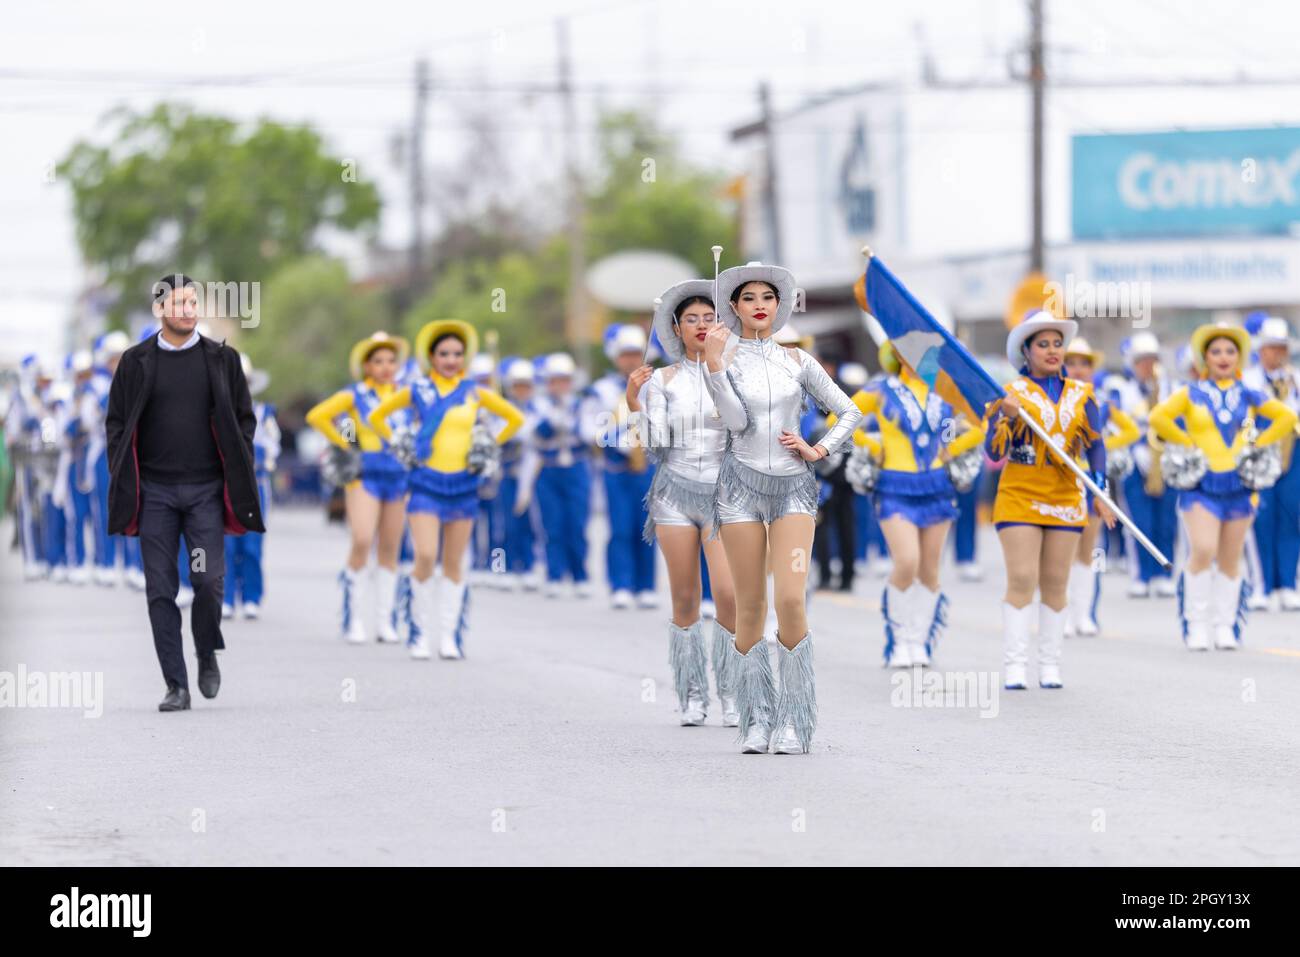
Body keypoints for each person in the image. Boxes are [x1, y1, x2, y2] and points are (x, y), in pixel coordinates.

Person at [702, 262, 862, 753]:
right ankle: (756, 718)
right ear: (734, 307)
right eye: (748, 298)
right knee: (750, 605)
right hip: (740, 489)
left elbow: (850, 410)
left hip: (794, 487)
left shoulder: (798, 362)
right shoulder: (723, 359)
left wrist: (819, 449)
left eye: (767, 297)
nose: (758, 305)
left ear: (779, 305)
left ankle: (794, 718)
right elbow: (733, 420)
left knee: (791, 600)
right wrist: (712, 366)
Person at [105, 274, 265, 712]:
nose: (187, 309)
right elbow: (116, 422)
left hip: (202, 496)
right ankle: (175, 684)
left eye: (193, 301)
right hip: (155, 495)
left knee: (206, 581)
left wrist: (240, 458)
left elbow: (244, 418)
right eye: (177, 302)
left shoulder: (221, 360)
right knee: (160, 589)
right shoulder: (135, 362)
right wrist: (121, 467)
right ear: (160, 309)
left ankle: (205, 649)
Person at [368, 319, 524, 659]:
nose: (451, 359)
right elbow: (378, 417)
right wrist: (398, 441)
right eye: (444, 353)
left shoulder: (474, 392)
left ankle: (451, 636)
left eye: (457, 353)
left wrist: (487, 443)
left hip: (464, 484)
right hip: (425, 482)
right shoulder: (417, 390)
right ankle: (419, 632)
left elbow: (514, 419)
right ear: (431, 357)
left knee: (455, 563)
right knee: (425, 555)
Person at [626, 280, 738, 727]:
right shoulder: (662, 380)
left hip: (724, 493)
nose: (700, 325)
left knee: (728, 594)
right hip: (673, 493)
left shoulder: (733, 371)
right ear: (676, 327)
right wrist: (634, 401)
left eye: (709, 318)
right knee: (686, 594)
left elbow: (744, 427)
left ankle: (731, 691)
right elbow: (654, 443)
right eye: (691, 319)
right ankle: (692, 695)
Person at [983, 312, 1115, 690]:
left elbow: (1096, 445)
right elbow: (995, 449)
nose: (1053, 350)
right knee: (1023, 577)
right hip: (1020, 492)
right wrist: (1001, 418)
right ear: (1026, 351)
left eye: (1058, 343)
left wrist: (1100, 489)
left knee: (1057, 580)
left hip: (1066, 494)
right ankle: (1015, 664)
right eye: (1043, 344)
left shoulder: (1082, 393)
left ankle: (1050, 663)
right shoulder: (1011, 394)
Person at [1149, 322, 1297, 650]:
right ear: (1205, 357)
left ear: (1239, 357)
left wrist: (1259, 441)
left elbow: (1286, 418)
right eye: (1216, 351)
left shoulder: (1248, 392)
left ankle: (1226, 625)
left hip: (1239, 484)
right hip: (1201, 483)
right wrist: (1185, 441)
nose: (1224, 357)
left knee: (1231, 558)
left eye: (1230, 351)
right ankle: (1196, 623)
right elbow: (1159, 417)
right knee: (1203, 549)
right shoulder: (1190, 392)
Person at [850, 341, 984, 667]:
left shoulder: (946, 392)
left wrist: (952, 449)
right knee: (907, 561)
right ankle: (899, 640)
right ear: (895, 354)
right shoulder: (880, 389)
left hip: (937, 485)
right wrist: (871, 443)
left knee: (929, 569)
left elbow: (979, 425)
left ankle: (920, 641)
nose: (919, 358)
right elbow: (841, 418)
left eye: (926, 353)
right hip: (894, 485)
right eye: (911, 351)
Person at [306, 332, 412, 645]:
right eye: (378, 361)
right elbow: (317, 416)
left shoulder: (405, 394)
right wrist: (345, 445)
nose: (386, 366)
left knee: (391, 548)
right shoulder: (355, 395)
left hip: (398, 475)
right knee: (363, 539)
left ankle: (385, 621)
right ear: (366, 365)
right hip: (364, 474)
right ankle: (353, 618)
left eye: (391, 360)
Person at [1061, 338, 1140, 636]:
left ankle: (1084, 613)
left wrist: (1106, 448)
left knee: (1089, 550)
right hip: (1064, 479)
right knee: (1065, 548)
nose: (1078, 369)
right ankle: (1064, 612)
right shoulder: (1057, 400)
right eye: (1072, 363)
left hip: (1091, 480)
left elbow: (1132, 430)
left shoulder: (1101, 402)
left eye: (1085, 364)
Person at [584, 325, 658, 609]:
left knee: (647, 527)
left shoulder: (656, 386)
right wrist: (618, 437)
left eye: (636, 354)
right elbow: (589, 429)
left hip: (648, 466)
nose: (630, 360)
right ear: (616, 357)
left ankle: (646, 586)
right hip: (616, 468)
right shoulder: (600, 391)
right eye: (625, 354)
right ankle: (621, 585)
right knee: (620, 527)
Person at [517, 353, 592, 598]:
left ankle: (580, 575)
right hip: (548, 469)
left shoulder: (582, 404)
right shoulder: (539, 406)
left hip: (575, 468)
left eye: (565, 380)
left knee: (577, 524)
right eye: (555, 380)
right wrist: (550, 421)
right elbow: (533, 435)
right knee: (552, 524)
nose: (560, 385)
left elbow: (591, 435)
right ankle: (554, 575)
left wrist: (575, 424)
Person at [1111, 333, 1179, 598]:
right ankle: (1141, 575)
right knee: (1139, 522)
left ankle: (1165, 574)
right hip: (1135, 461)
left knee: (1167, 521)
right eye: (1142, 361)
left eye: (1152, 360)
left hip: (1166, 460)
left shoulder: (1171, 389)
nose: (1147, 366)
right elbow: (1115, 426)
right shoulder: (1122, 391)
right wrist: (1135, 447)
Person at [1242, 316, 1300, 611]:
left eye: (1281, 347)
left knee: (1292, 516)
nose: (1276, 353)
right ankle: (1261, 585)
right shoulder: (1249, 379)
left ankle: (1288, 585)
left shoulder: (1296, 378)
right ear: (1260, 350)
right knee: (1261, 518)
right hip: (1260, 450)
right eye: (1270, 347)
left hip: (1293, 452)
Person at [222, 356, 279, 619]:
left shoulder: (264, 413)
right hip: (223, 484)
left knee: (252, 545)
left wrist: (249, 451)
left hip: (255, 485)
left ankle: (252, 597)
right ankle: (225, 596)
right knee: (225, 544)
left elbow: (272, 448)